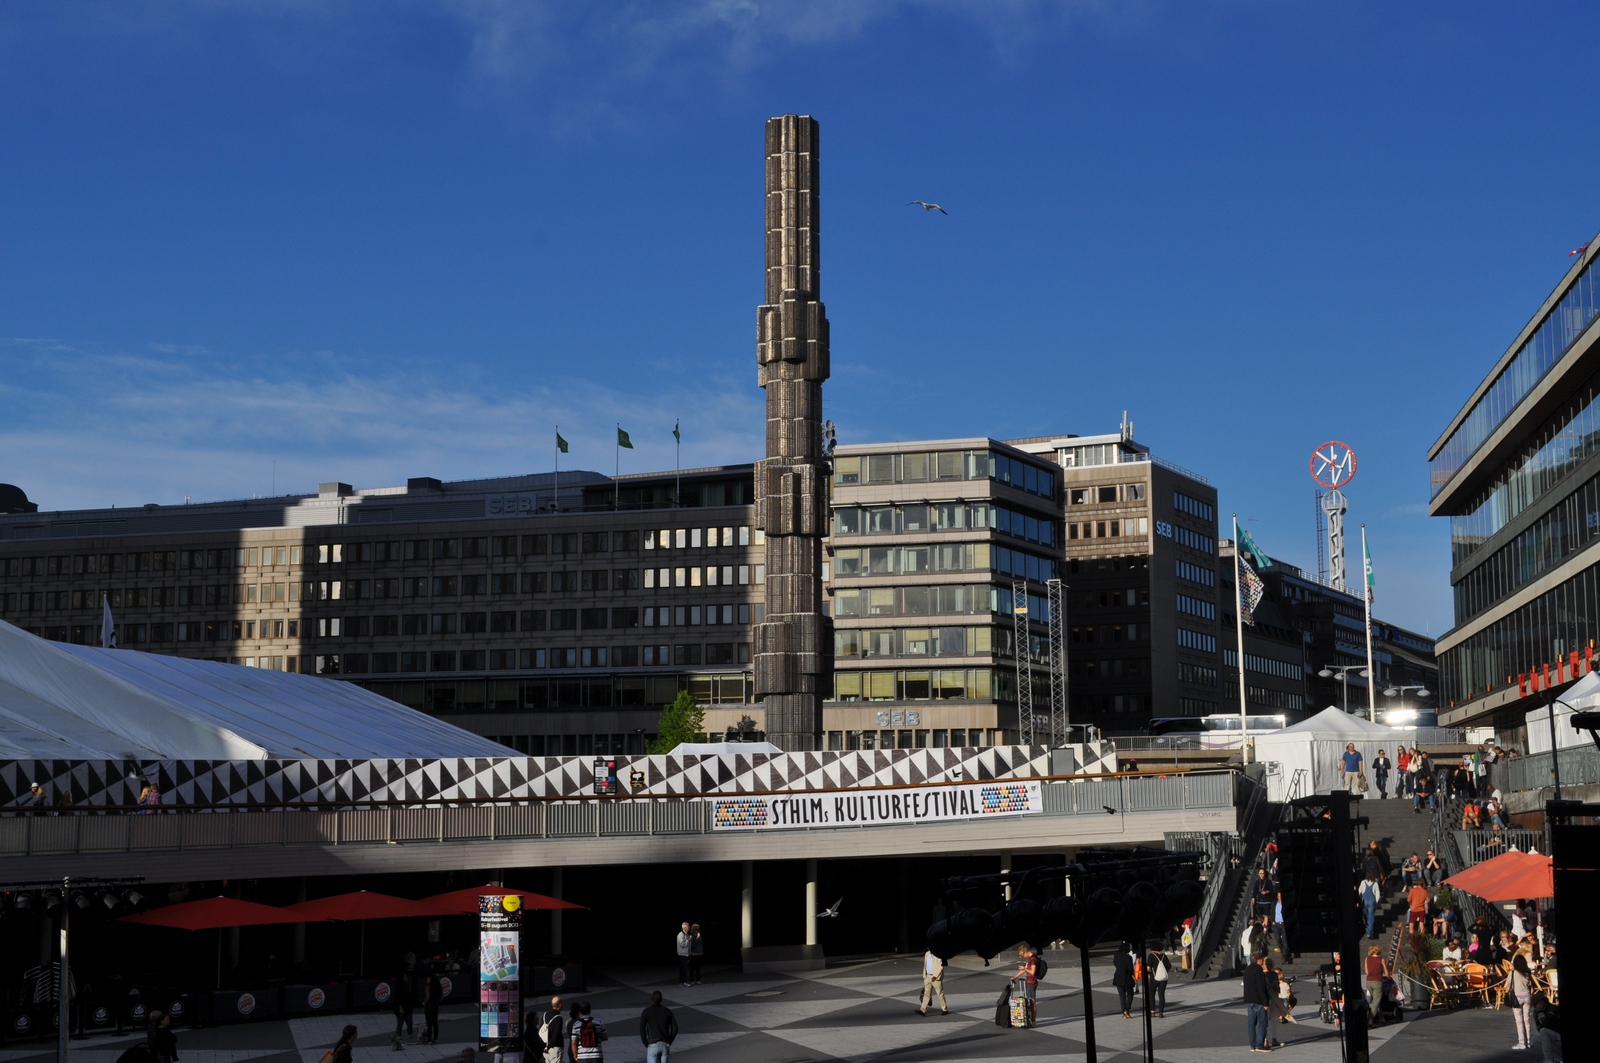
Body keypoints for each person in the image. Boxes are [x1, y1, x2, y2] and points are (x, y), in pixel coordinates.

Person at [1243, 954, 1272, 1053]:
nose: (1263, 961)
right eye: (1262, 959)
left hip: (1249, 999)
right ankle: (1259, 1044)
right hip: (1258, 1000)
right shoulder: (1258, 970)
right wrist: (1266, 1002)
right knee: (1263, 1022)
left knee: (1251, 1023)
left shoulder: (1247, 969)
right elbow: (1261, 987)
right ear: (1258, 959)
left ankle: (1252, 1045)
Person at [639, 990, 677, 1063]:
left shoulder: (646, 1012)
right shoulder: (667, 1011)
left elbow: (642, 1030)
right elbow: (675, 1028)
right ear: (661, 1000)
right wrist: (669, 1041)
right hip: (664, 1044)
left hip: (652, 1044)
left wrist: (646, 1044)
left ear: (651, 1000)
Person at [1509, 953, 1535, 1050]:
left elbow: (1508, 983)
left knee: (1519, 1021)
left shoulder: (1513, 973)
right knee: (1527, 1020)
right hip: (1527, 996)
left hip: (1517, 997)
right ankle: (1528, 1041)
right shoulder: (1527, 973)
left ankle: (1521, 1042)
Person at [1010, 946, 1039, 1027]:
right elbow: (1024, 970)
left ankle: (1033, 1021)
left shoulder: (1033, 959)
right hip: (1029, 982)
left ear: (1025, 952)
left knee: (1032, 1002)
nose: (1023, 957)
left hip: (1032, 983)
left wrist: (1025, 969)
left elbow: (1032, 972)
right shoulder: (1030, 959)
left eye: (1022, 955)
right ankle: (1031, 1020)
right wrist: (1015, 977)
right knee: (1030, 1001)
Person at [533, 995, 564, 1063]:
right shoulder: (558, 1018)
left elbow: (540, 1030)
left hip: (545, 1048)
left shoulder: (545, 1015)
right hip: (555, 1048)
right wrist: (549, 1046)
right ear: (560, 1005)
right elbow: (556, 1034)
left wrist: (544, 1047)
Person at [390, 961, 414, 1048]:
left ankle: (410, 1038)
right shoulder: (399, 988)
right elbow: (398, 998)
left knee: (410, 1024)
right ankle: (399, 1040)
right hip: (402, 1009)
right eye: (405, 976)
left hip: (408, 1008)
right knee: (400, 1024)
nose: (406, 977)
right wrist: (400, 1007)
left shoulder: (407, 986)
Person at [919, 950, 948, 1016]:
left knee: (940, 994)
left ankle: (945, 1009)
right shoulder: (927, 953)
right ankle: (923, 1010)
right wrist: (925, 975)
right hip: (927, 976)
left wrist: (935, 976)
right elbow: (925, 964)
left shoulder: (938, 954)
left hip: (935, 978)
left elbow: (941, 966)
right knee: (926, 994)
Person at [1144, 942, 1169, 1018]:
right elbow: (1169, 966)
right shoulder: (1164, 956)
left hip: (1153, 978)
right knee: (1161, 995)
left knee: (1151, 994)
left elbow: (1148, 967)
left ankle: (1152, 1011)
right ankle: (1161, 1012)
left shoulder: (1151, 956)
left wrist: (1148, 974)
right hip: (1163, 979)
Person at [1112, 943, 1136, 1020]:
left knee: (1122, 997)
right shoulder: (1128, 957)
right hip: (1127, 977)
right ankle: (1127, 1009)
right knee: (1130, 994)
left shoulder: (1116, 955)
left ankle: (1124, 1012)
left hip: (1118, 977)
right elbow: (1130, 968)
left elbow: (1115, 963)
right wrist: (1132, 974)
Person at [422, 964, 442, 1045]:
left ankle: (429, 1039)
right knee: (435, 1023)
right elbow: (441, 996)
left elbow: (427, 997)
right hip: (435, 1005)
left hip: (429, 1006)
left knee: (429, 1023)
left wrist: (424, 1002)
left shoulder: (428, 987)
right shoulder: (438, 987)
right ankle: (435, 1038)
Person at [1364, 945, 1388, 1011]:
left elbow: (1367, 972)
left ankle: (1381, 1017)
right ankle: (1370, 1019)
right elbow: (1386, 971)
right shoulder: (1381, 960)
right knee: (1376, 1001)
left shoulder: (1367, 959)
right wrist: (1388, 977)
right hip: (1377, 981)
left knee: (1376, 1000)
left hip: (1368, 981)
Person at [675, 922, 693, 987]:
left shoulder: (686, 934)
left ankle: (682, 982)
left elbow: (688, 944)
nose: (689, 928)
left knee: (684, 968)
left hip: (686, 953)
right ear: (684, 928)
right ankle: (683, 982)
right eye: (688, 927)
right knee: (683, 968)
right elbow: (682, 944)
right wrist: (688, 940)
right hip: (682, 954)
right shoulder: (680, 935)